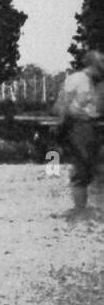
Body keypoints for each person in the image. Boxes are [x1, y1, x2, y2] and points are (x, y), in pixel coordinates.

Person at [54, 50, 104, 215]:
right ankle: (79, 209)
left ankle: (85, 207)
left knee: (92, 165)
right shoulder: (76, 80)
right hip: (78, 126)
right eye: (100, 64)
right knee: (82, 165)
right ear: (92, 65)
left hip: (95, 126)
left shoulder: (100, 83)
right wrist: (60, 125)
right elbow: (63, 103)